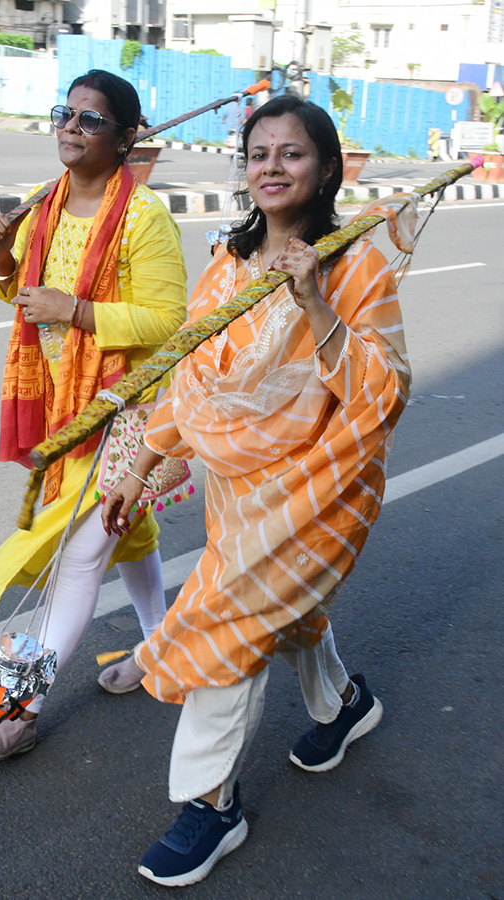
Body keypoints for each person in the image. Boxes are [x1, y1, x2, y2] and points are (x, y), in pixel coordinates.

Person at [102, 93, 411, 886]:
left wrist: (314, 299)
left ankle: (210, 805)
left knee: (232, 625)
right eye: (259, 153)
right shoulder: (225, 271)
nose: (272, 166)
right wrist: (139, 469)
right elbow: (188, 389)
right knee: (285, 608)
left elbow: (384, 395)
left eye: (292, 153)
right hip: (240, 491)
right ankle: (343, 703)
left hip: (322, 487)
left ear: (328, 167)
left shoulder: (355, 263)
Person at [0, 69, 187, 762]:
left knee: (82, 556)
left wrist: (77, 311)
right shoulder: (45, 208)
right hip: (66, 399)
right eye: (66, 114)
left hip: (132, 407)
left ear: (126, 137)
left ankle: (20, 711)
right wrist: (1, 263)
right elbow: (26, 300)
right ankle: (162, 647)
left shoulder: (145, 219)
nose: (72, 128)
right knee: (128, 534)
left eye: (91, 120)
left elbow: (172, 321)